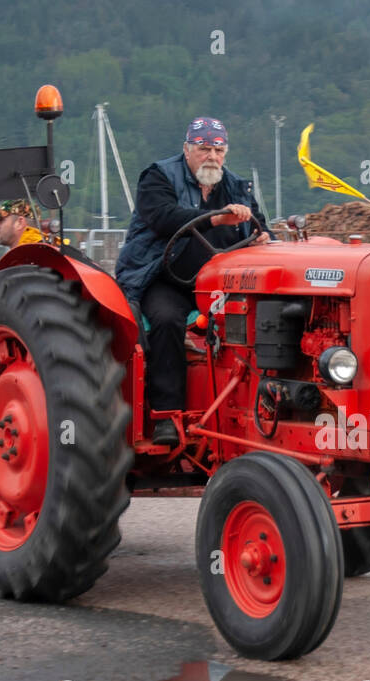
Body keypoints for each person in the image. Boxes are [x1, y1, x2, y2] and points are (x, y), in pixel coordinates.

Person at [115, 116, 272, 445]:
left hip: (220, 286)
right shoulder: (158, 177)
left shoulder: (236, 186)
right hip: (164, 277)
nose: (211, 156)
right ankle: (166, 416)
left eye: (218, 150)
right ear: (187, 150)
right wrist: (215, 218)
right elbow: (162, 218)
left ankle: (258, 410)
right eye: (203, 149)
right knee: (166, 319)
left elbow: (259, 225)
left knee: (262, 321)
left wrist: (263, 237)